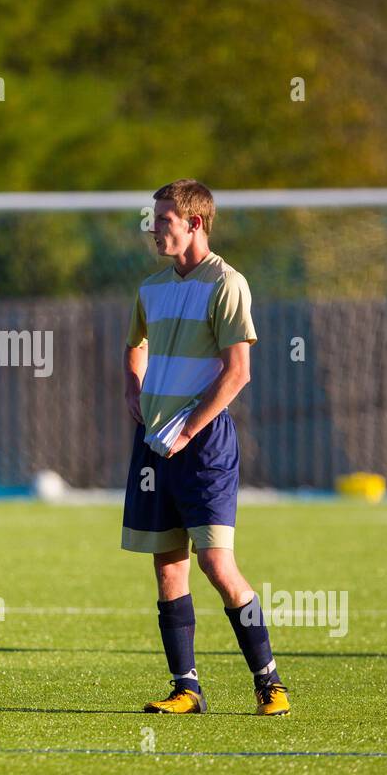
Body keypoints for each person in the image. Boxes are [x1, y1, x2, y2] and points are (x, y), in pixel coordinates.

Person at [122, 179, 288, 716]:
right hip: (154, 445)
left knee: (217, 563)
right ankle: (186, 690)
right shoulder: (151, 288)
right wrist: (134, 391)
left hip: (203, 445)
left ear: (195, 223)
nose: (155, 229)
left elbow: (238, 373)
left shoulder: (227, 283)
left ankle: (270, 685)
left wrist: (188, 430)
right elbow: (135, 345)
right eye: (154, 219)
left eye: (164, 219)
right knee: (168, 567)